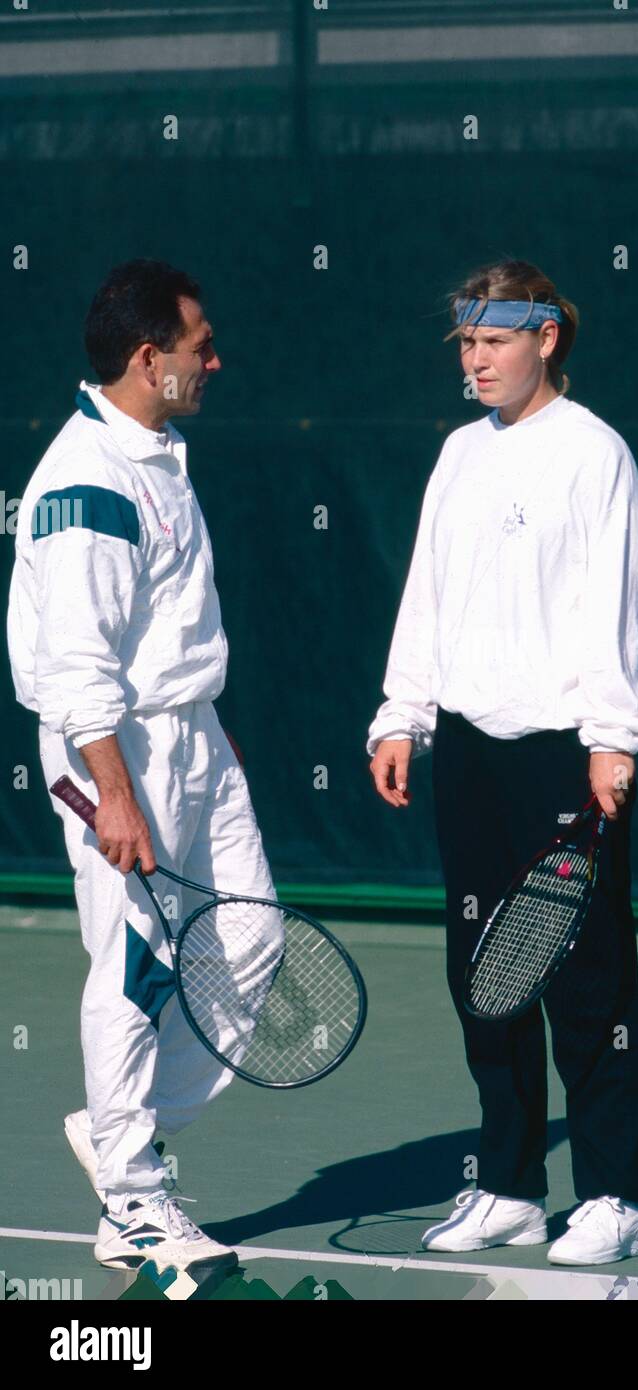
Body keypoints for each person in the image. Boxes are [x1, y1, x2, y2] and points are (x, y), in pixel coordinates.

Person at [367, 259, 638, 1265]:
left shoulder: (593, 454)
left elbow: (617, 603)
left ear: (546, 339)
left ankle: (614, 1194)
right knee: (481, 975)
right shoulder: (458, 454)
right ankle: (508, 1186)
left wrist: (610, 741)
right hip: (470, 754)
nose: (474, 359)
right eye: (464, 343)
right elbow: (427, 593)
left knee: (588, 979)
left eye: (492, 341)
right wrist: (400, 714)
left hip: (562, 757)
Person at [7, 259, 275, 1276]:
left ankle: (119, 1125)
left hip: (191, 735)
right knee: (136, 967)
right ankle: (133, 1197)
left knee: (246, 943)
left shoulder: (159, 448)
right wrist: (115, 790)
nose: (216, 358)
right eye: (199, 343)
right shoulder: (85, 482)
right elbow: (79, 664)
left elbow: (165, 629)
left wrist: (210, 728)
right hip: (113, 749)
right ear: (145, 357)